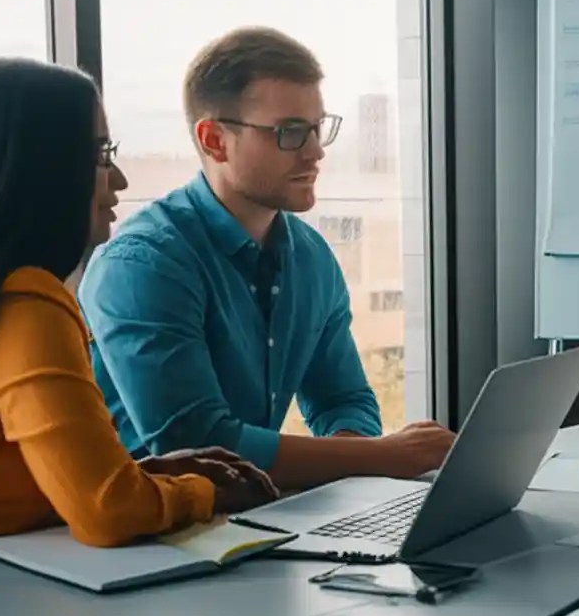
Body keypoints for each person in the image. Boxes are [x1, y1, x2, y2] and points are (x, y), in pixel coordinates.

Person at [79, 27, 454, 491]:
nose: (316, 151)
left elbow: (343, 399)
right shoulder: (143, 264)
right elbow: (197, 442)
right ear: (215, 140)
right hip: (145, 538)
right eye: (291, 133)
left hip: (248, 521)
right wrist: (381, 456)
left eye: (318, 128)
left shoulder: (311, 257)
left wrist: (355, 469)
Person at [0, 58, 278, 547]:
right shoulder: (27, 305)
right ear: (42, 167)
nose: (120, 181)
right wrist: (202, 494)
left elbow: (1, 485)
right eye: (100, 155)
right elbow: (108, 513)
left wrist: (142, 474)